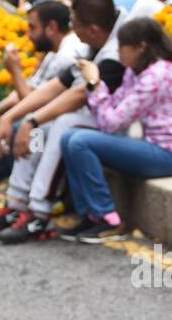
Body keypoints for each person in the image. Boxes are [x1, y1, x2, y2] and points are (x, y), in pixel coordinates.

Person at [0, 0, 124, 244]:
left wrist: (30, 120)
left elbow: (78, 95)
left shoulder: (114, 53)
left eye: (75, 24)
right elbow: (59, 86)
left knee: (61, 122)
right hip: (90, 118)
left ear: (93, 29)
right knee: (41, 128)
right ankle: (18, 202)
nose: (72, 29)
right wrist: (14, 118)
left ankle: (39, 211)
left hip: (113, 124)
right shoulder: (93, 42)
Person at [0, 0, 83, 218]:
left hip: (48, 129)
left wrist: (15, 71)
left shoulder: (68, 54)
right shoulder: (54, 53)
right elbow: (30, 93)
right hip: (33, 128)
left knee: (29, 130)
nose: (28, 34)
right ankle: (16, 202)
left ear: (52, 28)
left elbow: (39, 102)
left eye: (32, 27)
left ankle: (25, 206)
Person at [60, 17, 172, 241]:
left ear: (141, 47)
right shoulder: (136, 71)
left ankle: (107, 218)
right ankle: (91, 216)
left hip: (165, 153)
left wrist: (94, 83)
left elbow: (111, 123)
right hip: (152, 146)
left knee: (80, 141)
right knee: (69, 137)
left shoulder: (157, 76)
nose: (118, 51)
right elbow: (113, 108)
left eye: (122, 45)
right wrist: (98, 89)